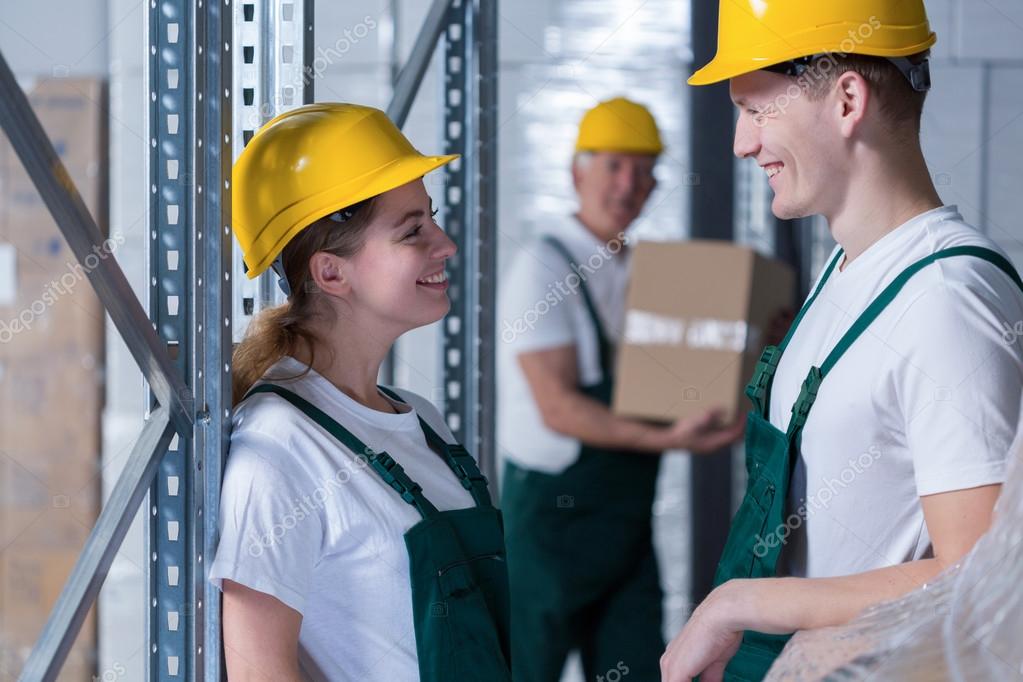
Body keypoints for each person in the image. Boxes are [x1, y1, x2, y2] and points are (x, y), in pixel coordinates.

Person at [661, 2, 1023, 681]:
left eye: (755, 109)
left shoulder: (945, 300)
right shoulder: (845, 266)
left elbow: (986, 580)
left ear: (847, 100)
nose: (741, 143)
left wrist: (738, 604)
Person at [209, 103, 511, 682]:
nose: (446, 244)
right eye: (413, 231)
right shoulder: (279, 448)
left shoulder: (421, 421)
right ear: (331, 273)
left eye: (431, 219)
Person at [498, 97, 746, 682]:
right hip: (552, 523)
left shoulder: (642, 272)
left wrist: (758, 336)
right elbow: (559, 408)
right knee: (525, 669)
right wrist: (670, 440)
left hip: (625, 524)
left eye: (643, 170)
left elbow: (687, 369)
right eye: (613, 165)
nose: (628, 184)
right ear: (577, 172)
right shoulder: (543, 268)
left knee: (635, 666)